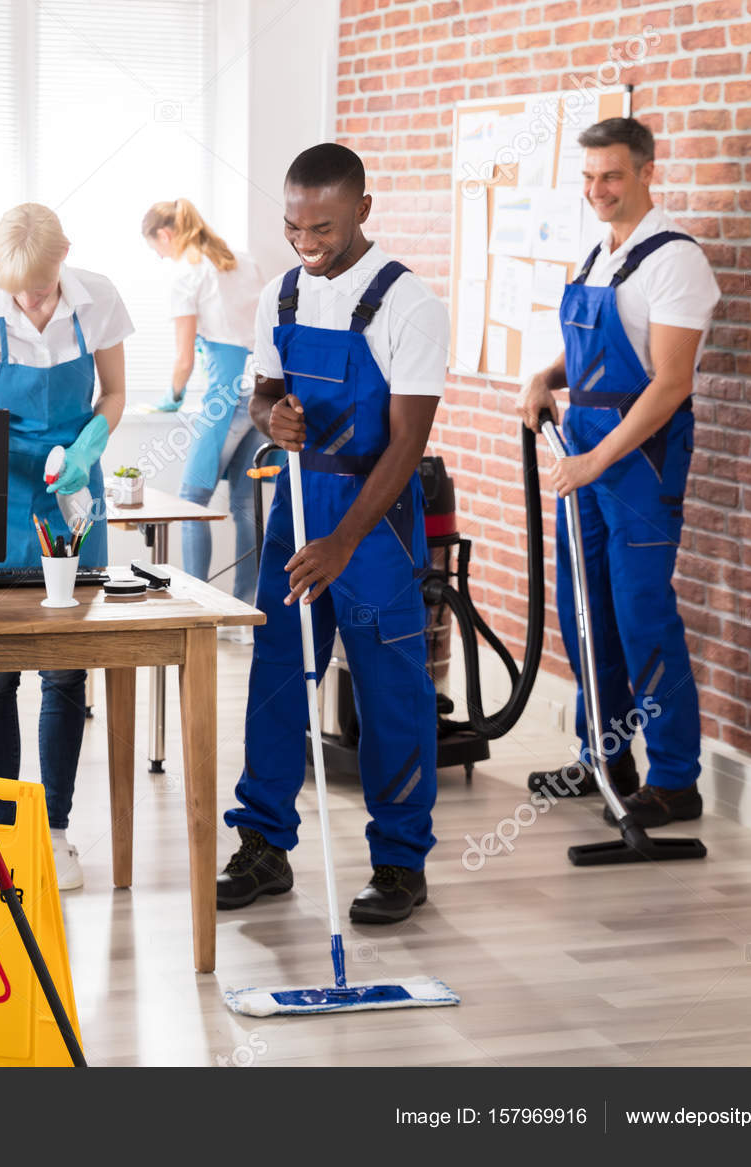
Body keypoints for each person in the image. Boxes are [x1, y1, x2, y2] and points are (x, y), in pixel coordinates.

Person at [217, 144, 447, 925]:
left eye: (322, 226)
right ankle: (263, 845)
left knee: (391, 690)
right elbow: (263, 395)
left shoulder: (409, 304)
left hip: (372, 523)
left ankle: (400, 862)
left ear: (363, 210)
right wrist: (271, 418)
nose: (306, 241)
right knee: (278, 674)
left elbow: (407, 444)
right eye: (293, 226)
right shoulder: (280, 294)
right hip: (296, 510)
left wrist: (344, 542)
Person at [516, 117, 718, 827]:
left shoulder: (675, 261)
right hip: (585, 451)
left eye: (612, 175)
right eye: (588, 176)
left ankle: (675, 780)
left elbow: (670, 383)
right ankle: (603, 758)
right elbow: (590, 357)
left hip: (640, 464)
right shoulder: (600, 255)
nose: (597, 189)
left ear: (646, 172)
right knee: (585, 610)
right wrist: (545, 377)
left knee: (642, 615)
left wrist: (596, 460)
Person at [0, 203, 131, 891]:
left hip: (71, 486)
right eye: (18, 290)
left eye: (42, 288)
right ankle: (2, 835)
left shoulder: (98, 297)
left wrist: (88, 446)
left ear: (65, 256)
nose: (30, 301)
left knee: (64, 669)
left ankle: (54, 833)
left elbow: (114, 393)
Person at [142, 199, 267, 611]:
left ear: (166, 235)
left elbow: (184, 359)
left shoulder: (187, 274)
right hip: (263, 389)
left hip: (226, 397)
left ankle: (195, 607)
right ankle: (246, 609)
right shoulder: (244, 261)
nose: (161, 258)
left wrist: (172, 397)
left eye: (157, 250)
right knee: (246, 504)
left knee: (190, 499)